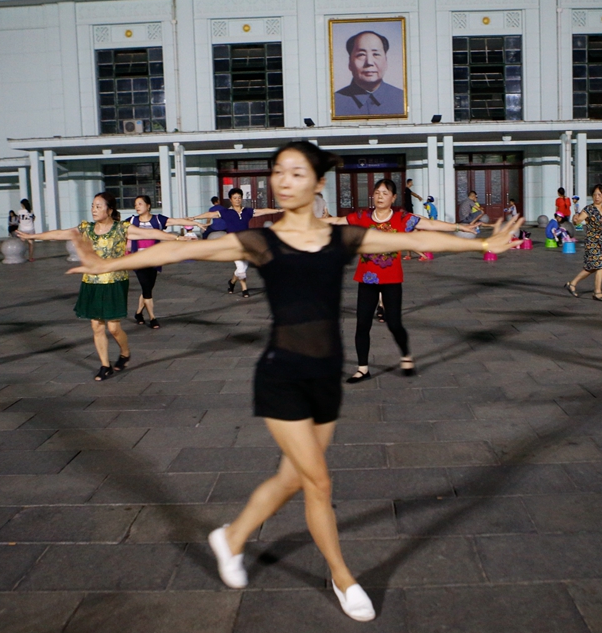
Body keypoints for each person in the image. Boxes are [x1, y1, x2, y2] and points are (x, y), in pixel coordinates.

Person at [66, 140, 524, 622]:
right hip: (281, 376)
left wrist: (481, 244)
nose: (284, 181)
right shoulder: (261, 242)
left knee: (291, 479)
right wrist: (106, 265)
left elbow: (414, 240)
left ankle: (232, 537)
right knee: (319, 483)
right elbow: (186, 249)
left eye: (296, 173)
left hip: (325, 378)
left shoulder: (341, 237)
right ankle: (343, 577)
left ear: (318, 183)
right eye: (278, 172)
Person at [18, 192, 185, 381]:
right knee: (96, 326)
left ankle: (125, 353)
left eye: (98, 206)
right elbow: (60, 234)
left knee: (113, 328)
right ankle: (105, 366)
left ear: (110, 209)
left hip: (115, 281)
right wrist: (32, 235)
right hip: (92, 282)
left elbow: (151, 233)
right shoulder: (86, 228)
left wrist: (177, 239)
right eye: (93, 206)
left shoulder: (122, 228)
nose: (94, 210)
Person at [323, 177, 473, 382]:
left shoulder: (402, 218)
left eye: (385, 193)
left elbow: (428, 223)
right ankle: (363, 368)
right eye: (377, 193)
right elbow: (338, 221)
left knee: (394, 324)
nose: (380, 197)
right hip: (366, 279)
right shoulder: (362, 216)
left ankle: (405, 355)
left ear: (393, 198)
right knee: (362, 325)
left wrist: (459, 227)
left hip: (391, 279)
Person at [125, 194, 201, 329]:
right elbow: (116, 229)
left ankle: (138, 313)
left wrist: (195, 223)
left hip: (155, 258)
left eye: (140, 204)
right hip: (138, 259)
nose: (137, 206)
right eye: (136, 204)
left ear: (148, 206)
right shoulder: (131, 221)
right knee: (146, 288)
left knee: (147, 288)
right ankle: (153, 318)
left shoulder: (157, 220)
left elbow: (176, 221)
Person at [191, 188, 282, 297]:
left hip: (246, 243)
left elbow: (263, 211)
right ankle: (244, 290)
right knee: (241, 268)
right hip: (233, 244)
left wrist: (279, 210)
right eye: (235, 198)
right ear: (230, 199)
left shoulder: (247, 211)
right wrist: (194, 217)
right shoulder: (226, 212)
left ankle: (232, 282)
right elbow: (210, 214)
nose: (237, 200)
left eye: (239, 198)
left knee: (243, 267)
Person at [333, 30, 405, 117]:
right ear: (349, 63)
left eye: (376, 54)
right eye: (361, 55)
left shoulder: (403, 99)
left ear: (386, 61)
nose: (369, 62)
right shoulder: (333, 102)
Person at [565, 184, 602, 301]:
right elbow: (578, 221)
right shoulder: (589, 209)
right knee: (601, 267)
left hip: (600, 242)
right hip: (592, 241)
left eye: (599, 194)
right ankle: (597, 292)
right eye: (594, 194)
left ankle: (572, 283)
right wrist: (575, 219)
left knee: (591, 267)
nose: (597, 197)